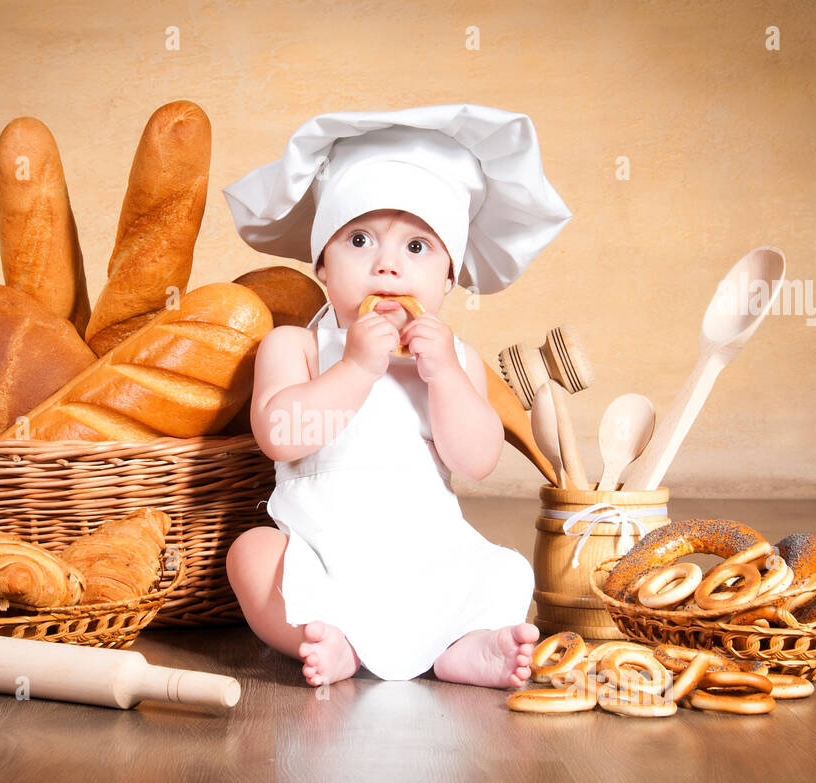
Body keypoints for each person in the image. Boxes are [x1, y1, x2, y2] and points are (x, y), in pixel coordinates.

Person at [221, 104, 572, 688]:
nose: (386, 266)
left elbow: (477, 459)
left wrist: (447, 378)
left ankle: (466, 646)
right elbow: (280, 438)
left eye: (417, 248)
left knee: (503, 571)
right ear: (323, 267)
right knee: (251, 556)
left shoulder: (453, 358)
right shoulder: (298, 346)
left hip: (427, 554)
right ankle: (332, 638)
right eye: (359, 240)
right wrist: (357, 366)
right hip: (324, 553)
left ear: (448, 279)